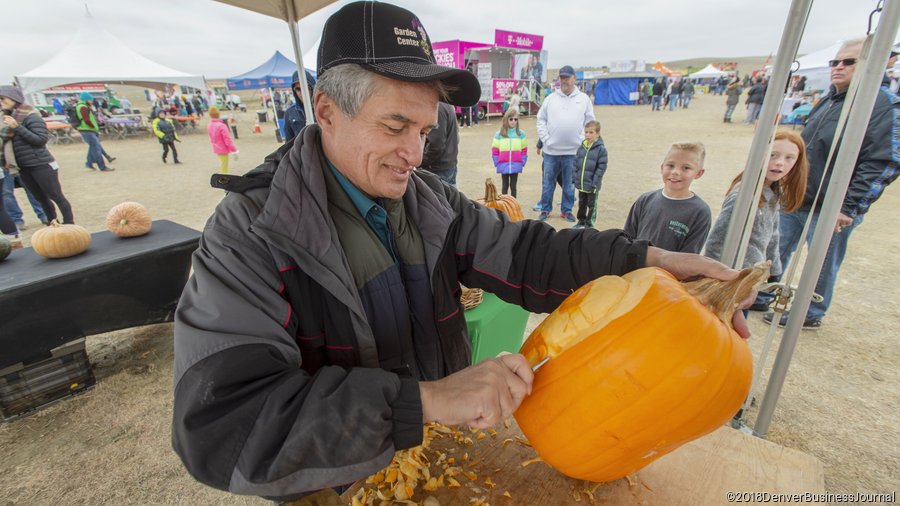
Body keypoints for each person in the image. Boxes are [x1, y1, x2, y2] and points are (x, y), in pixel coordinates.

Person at [171, 3, 751, 502]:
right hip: (332, 486)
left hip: (435, 460)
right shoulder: (250, 234)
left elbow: (529, 254)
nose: (414, 154)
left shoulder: (431, 203)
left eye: (425, 131)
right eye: (395, 126)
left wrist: (645, 261)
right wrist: (423, 401)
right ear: (326, 110)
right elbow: (222, 425)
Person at [763, 39, 900, 329]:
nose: (838, 67)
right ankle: (764, 294)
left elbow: (883, 161)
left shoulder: (882, 104)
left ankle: (810, 312)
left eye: (848, 62)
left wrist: (848, 206)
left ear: (870, 64)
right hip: (800, 195)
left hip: (833, 204)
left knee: (822, 262)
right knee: (775, 247)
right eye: (835, 62)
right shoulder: (828, 100)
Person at [703, 131, 809, 315]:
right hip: (731, 280)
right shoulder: (742, 197)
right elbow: (717, 239)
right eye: (773, 155)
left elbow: (773, 233)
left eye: (789, 158)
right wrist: (715, 275)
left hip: (749, 280)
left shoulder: (773, 192)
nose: (779, 162)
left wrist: (774, 268)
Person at [0, 86, 75, 225]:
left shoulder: (30, 115)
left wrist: (17, 127)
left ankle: (70, 225)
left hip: (40, 164)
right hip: (22, 167)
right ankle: (53, 225)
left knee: (56, 196)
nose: (1, 102)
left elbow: (40, 140)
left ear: (13, 98)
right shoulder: (5, 119)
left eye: (3, 98)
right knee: (41, 199)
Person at [624, 142, 711, 253]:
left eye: (686, 168)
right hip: (635, 269)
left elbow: (689, 257)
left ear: (699, 173)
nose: (675, 172)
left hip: (669, 271)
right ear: (662, 167)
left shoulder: (700, 212)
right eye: (670, 165)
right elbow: (627, 240)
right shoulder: (645, 200)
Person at [535, 65, 595, 222]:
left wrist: (584, 140)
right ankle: (545, 209)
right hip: (551, 151)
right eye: (562, 78)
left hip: (573, 151)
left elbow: (590, 121)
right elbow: (541, 119)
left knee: (569, 184)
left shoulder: (584, 99)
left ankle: (566, 210)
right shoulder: (550, 99)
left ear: (574, 78)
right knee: (548, 183)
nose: (564, 81)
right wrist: (546, 139)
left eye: (567, 78)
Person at [572, 120, 608, 229]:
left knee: (591, 205)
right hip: (582, 183)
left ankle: (589, 223)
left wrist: (595, 181)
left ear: (597, 133)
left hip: (592, 184)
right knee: (581, 202)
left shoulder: (601, 149)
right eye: (586, 132)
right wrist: (575, 177)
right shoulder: (581, 147)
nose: (588, 135)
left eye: (591, 132)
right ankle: (581, 221)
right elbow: (575, 163)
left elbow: (601, 167)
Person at [421, 102, 459, 186]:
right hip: (447, 164)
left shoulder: (438, 108)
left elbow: (436, 145)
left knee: (441, 197)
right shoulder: (447, 104)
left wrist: (422, 161)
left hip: (438, 168)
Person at [491, 108, 527, 198]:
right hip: (503, 164)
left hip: (516, 164)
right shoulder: (499, 134)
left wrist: (523, 161)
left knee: (513, 187)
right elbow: (495, 149)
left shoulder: (521, 134)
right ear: (506, 119)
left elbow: (524, 149)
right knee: (504, 186)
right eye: (511, 119)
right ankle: (504, 205)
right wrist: (496, 161)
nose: (513, 121)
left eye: (515, 119)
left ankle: (513, 205)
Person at [75, 92, 115, 171]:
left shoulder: (84, 106)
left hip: (87, 129)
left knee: (93, 147)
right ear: (86, 99)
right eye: (90, 99)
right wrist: (93, 126)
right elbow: (86, 119)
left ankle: (89, 163)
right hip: (87, 130)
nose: (92, 101)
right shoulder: (83, 107)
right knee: (96, 148)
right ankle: (102, 167)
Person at [283, 70, 317, 144]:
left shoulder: (322, 109)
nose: (302, 93)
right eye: (298, 89)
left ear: (312, 87)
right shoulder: (290, 113)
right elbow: (288, 143)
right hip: (301, 153)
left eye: (305, 88)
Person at [206, 107, 238, 174]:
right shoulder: (221, 126)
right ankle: (223, 180)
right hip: (223, 148)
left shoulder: (209, 125)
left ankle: (223, 178)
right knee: (224, 166)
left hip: (216, 147)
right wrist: (234, 150)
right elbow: (227, 139)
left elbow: (210, 137)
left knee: (223, 164)